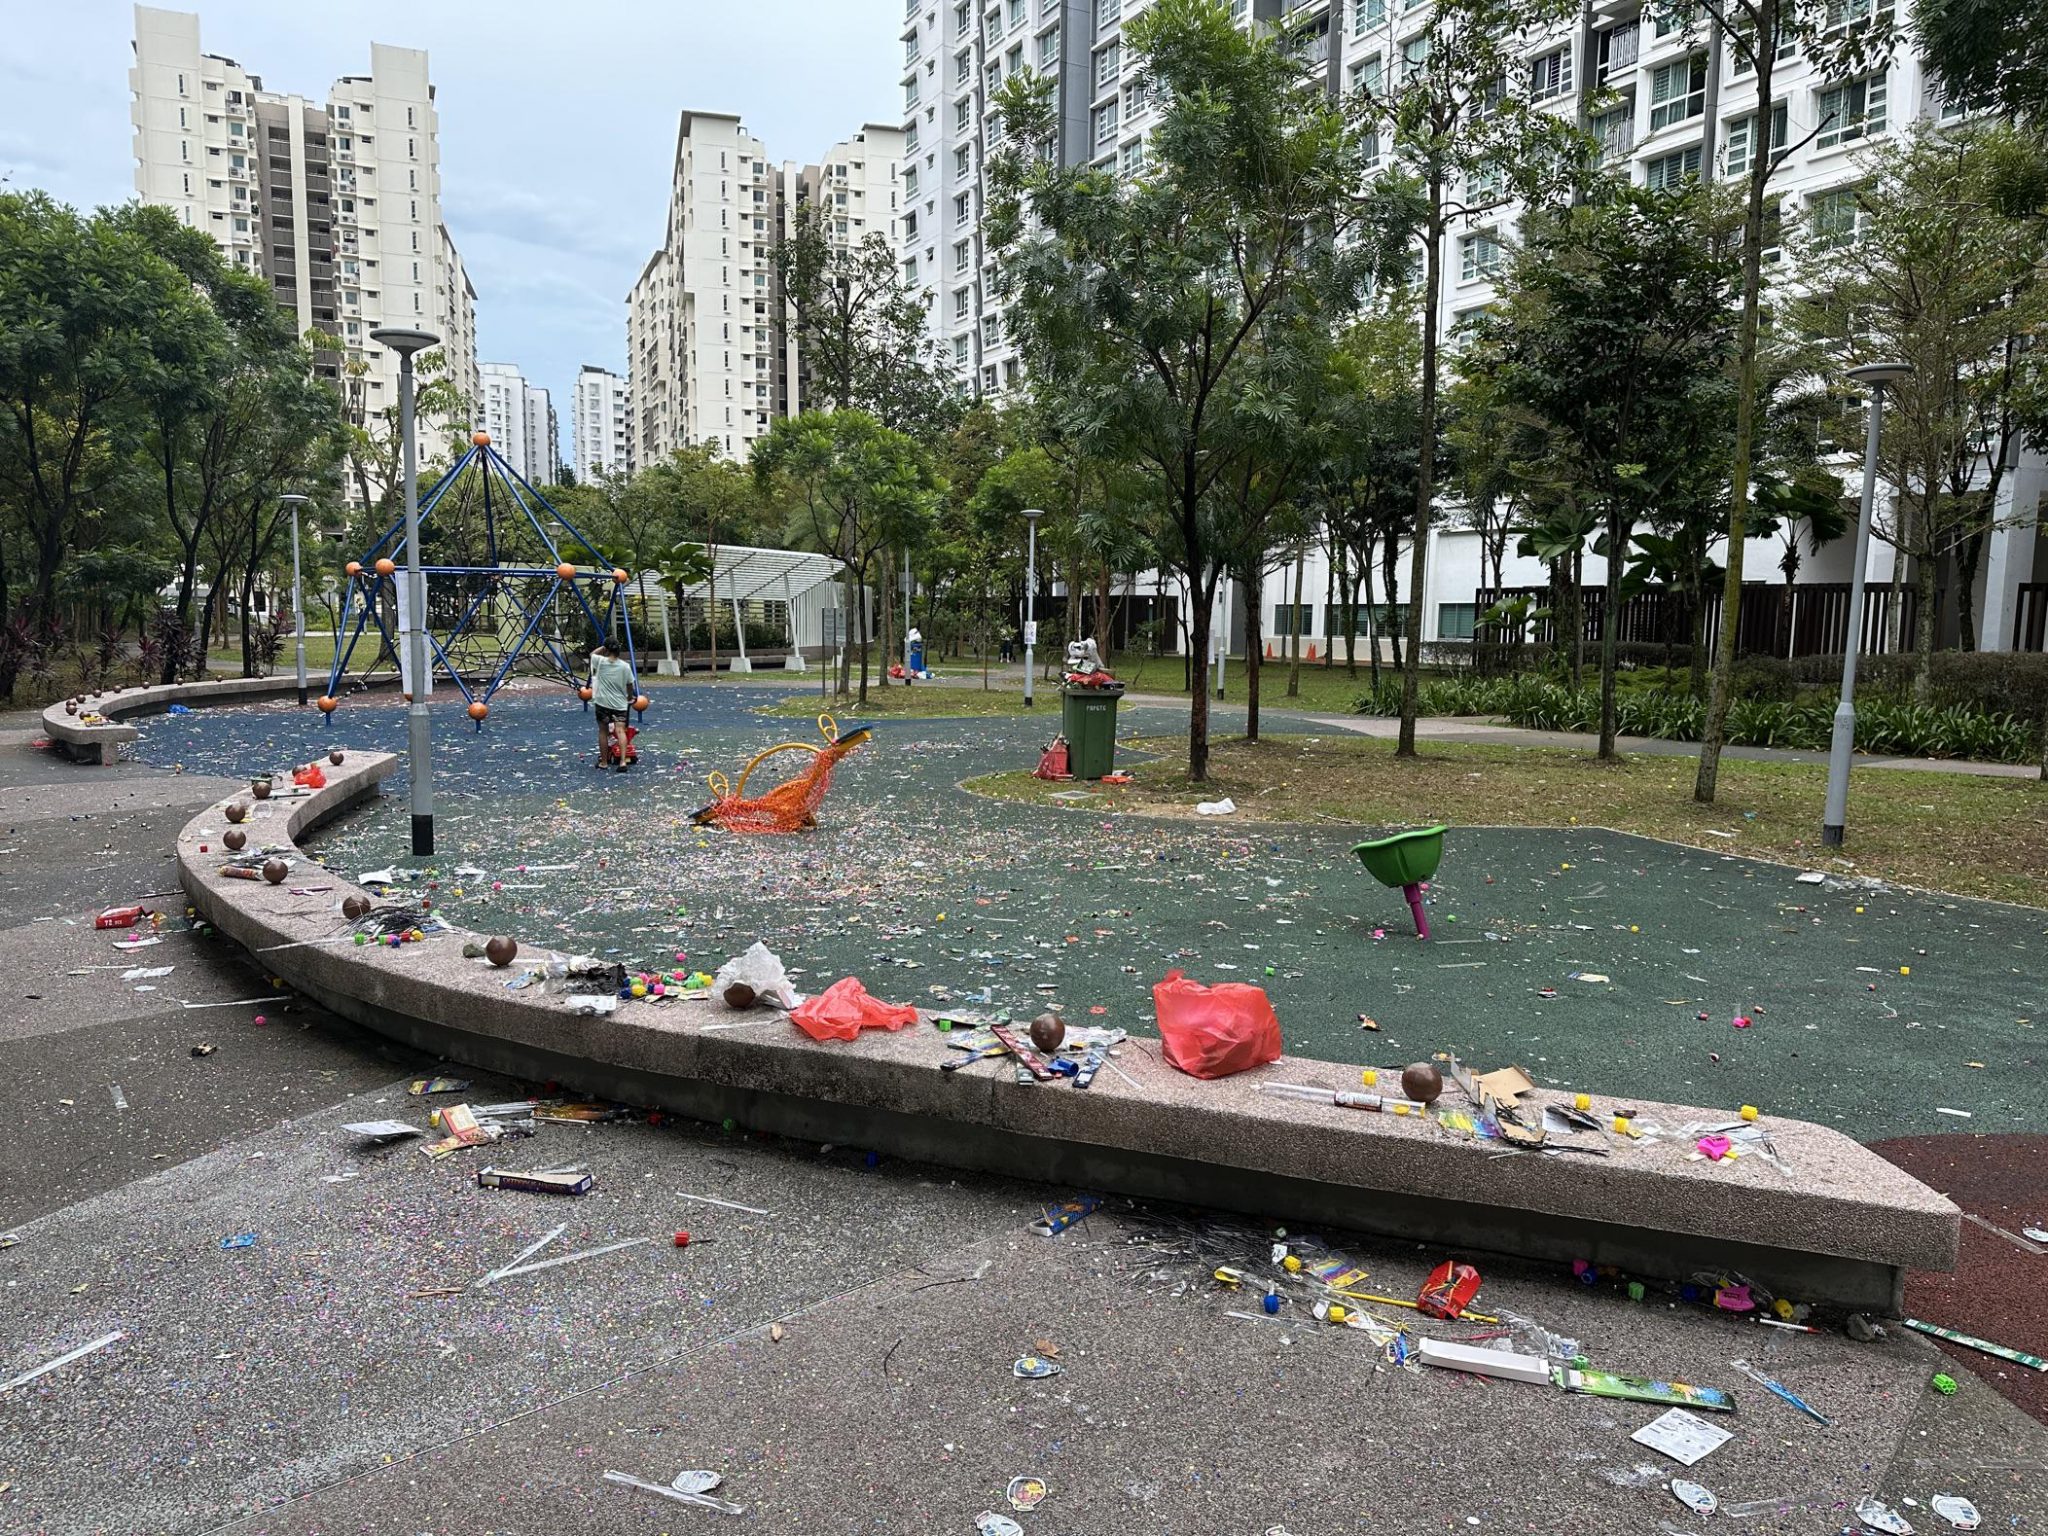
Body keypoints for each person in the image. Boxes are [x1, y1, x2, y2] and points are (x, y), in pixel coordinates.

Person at [589, 641, 638, 771]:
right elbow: (629, 685)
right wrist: (629, 697)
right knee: (620, 731)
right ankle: (622, 762)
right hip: (619, 704)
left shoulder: (600, 661)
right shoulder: (625, 666)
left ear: (607, 650)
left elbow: (592, 654)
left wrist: (603, 647)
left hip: (602, 702)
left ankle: (604, 762)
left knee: (603, 731)